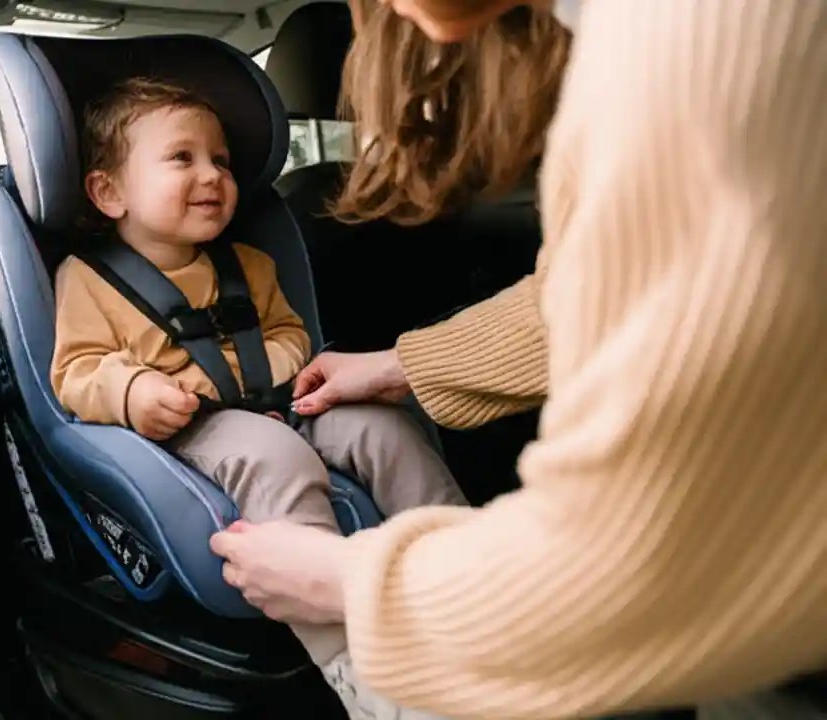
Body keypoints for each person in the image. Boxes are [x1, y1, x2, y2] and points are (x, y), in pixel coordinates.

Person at [210, 0, 827, 718]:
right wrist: (405, 364)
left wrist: (344, 585)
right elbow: (603, 285)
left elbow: (631, 554)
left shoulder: (690, 35)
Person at [49, 77, 467, 719]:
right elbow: (76, 370)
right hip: (190, 427)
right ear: (110, 192)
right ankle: (351, 661)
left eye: (220, 160)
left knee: (383, 427)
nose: (212, 175)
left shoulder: (250, 263)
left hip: (279, 400)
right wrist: (134, 391)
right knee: (274, 454)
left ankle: (464, 579)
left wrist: (271, 364)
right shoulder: (88, 279)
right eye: (182, 158)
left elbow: (291, 334)